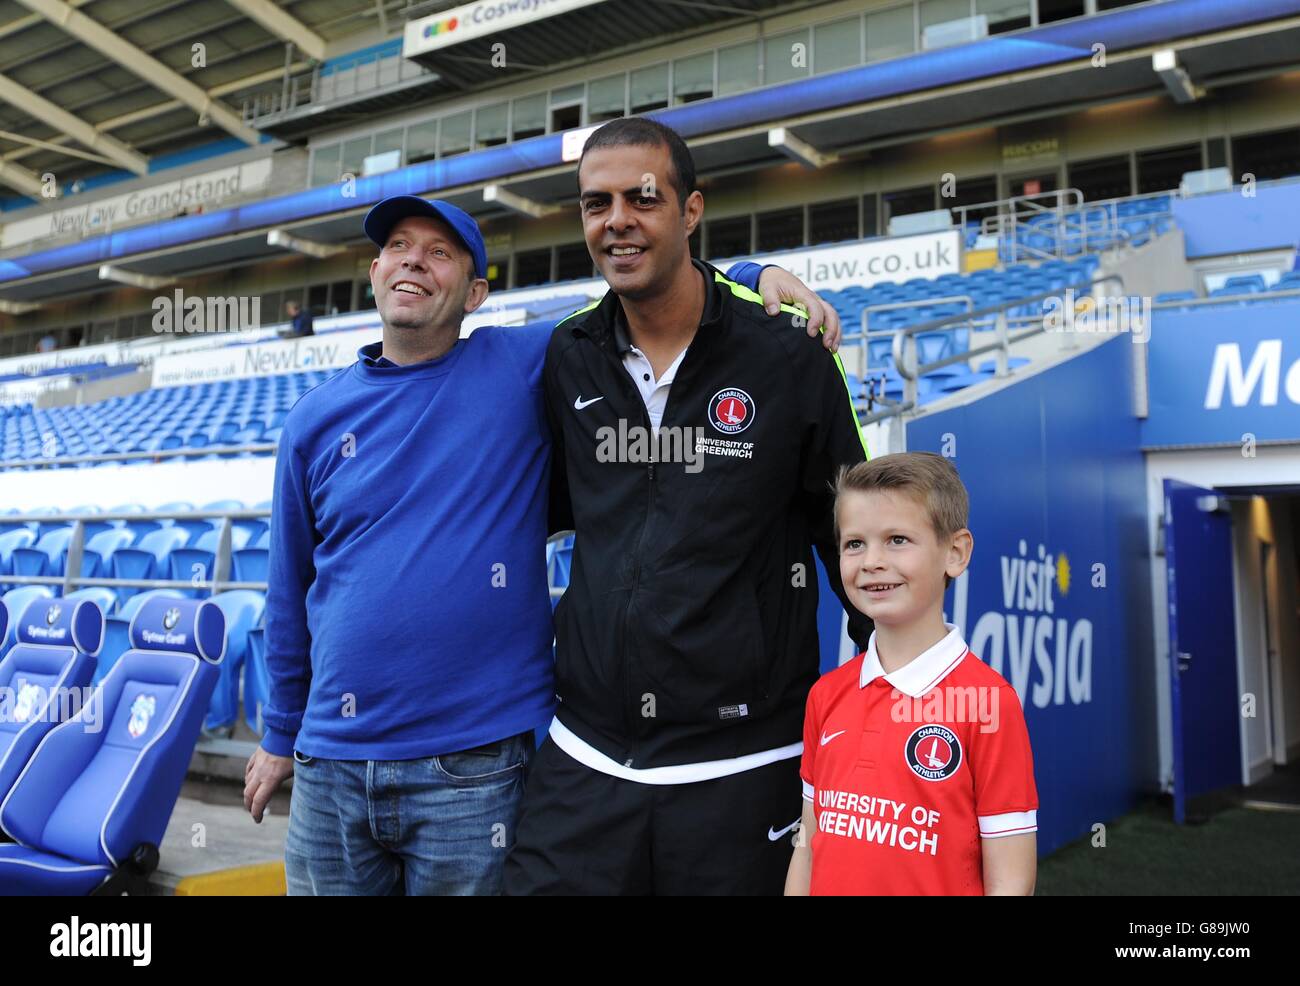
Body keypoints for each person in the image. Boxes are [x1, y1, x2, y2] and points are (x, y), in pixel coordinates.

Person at [243, 193, 844, 895]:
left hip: (473, 769)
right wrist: (280, 733)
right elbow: (291, 587)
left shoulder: (526, 362)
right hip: (331, 765)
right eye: (399, 248)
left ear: (475, 295)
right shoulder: (313, 421)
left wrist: (752, 272)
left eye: (439, 253)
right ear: (375, 271)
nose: (414, 261)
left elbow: (655, 286)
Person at [504, 118, 874, 895]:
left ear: (691, 209)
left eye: (643, 198)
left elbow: (853, 533)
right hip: (586, 758)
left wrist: (887, 694)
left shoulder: (787, 355)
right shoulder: (567, 354)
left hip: (742, 764)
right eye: (594, 204)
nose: (616, 221)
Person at [785, 452, 1038, 896]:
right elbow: (807, 844)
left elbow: (1011, 877)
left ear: (955, 553)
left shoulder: (988, 702)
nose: (872, 561)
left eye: (897, 539)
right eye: (854, 543)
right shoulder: (826, 695)